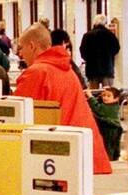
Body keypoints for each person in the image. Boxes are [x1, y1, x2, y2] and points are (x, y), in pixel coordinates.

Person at [15, 24, 111, 174]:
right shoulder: (67, 69)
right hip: (87, 152)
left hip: (62, 156)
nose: (20, 54)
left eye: (21, 48)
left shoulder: (36, 73)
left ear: (32, 46)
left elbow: (16, 118)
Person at [79, 14, 120, 86]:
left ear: (94, 23)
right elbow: (116, 48)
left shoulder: (87, 35)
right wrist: (109, 57)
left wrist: (88, 59)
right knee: (108, 92)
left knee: (93, 92)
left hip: (92, 69)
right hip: (107, 69)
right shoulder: (110, 35)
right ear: (105, 23)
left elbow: (82, 51)